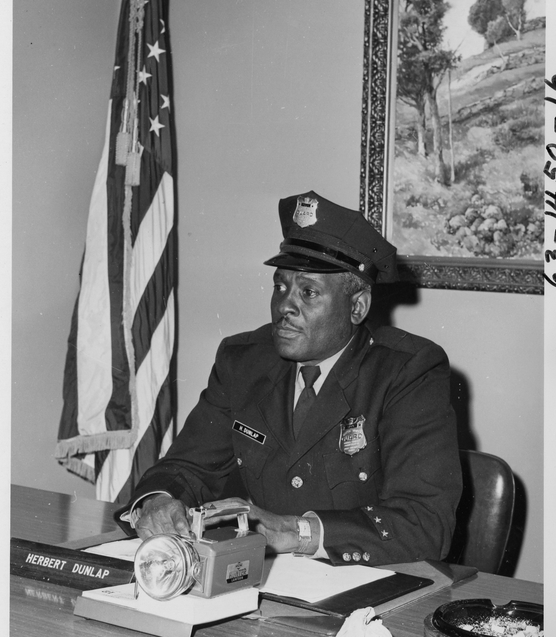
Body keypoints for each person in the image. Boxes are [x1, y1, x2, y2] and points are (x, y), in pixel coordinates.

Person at [118, 190, 462, 566]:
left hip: (362, 584)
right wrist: (158, 502)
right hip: (256, 578)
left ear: (357, 306)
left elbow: (425, 525)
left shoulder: (408, 371)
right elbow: (187, 468)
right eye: (280, 286)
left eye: (308, 292)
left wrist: (297, 532)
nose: (284, 306)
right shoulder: (244, 361)